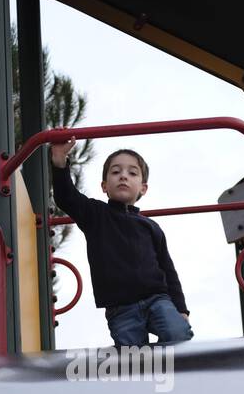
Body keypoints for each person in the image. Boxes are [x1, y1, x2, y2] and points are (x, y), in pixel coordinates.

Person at [49, 139, 194, 348]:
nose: (124, 176)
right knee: (132, 357)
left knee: (178, 333)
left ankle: (175, 377)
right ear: (104, 186)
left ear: (143, 188)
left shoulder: (151, 227)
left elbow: (168, 270)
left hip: (157, 300)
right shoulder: (96, 215)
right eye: (116, 172)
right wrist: (60, 160)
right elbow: (66, 198)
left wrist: (181, 309)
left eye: (132, 173)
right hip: (121, 307)